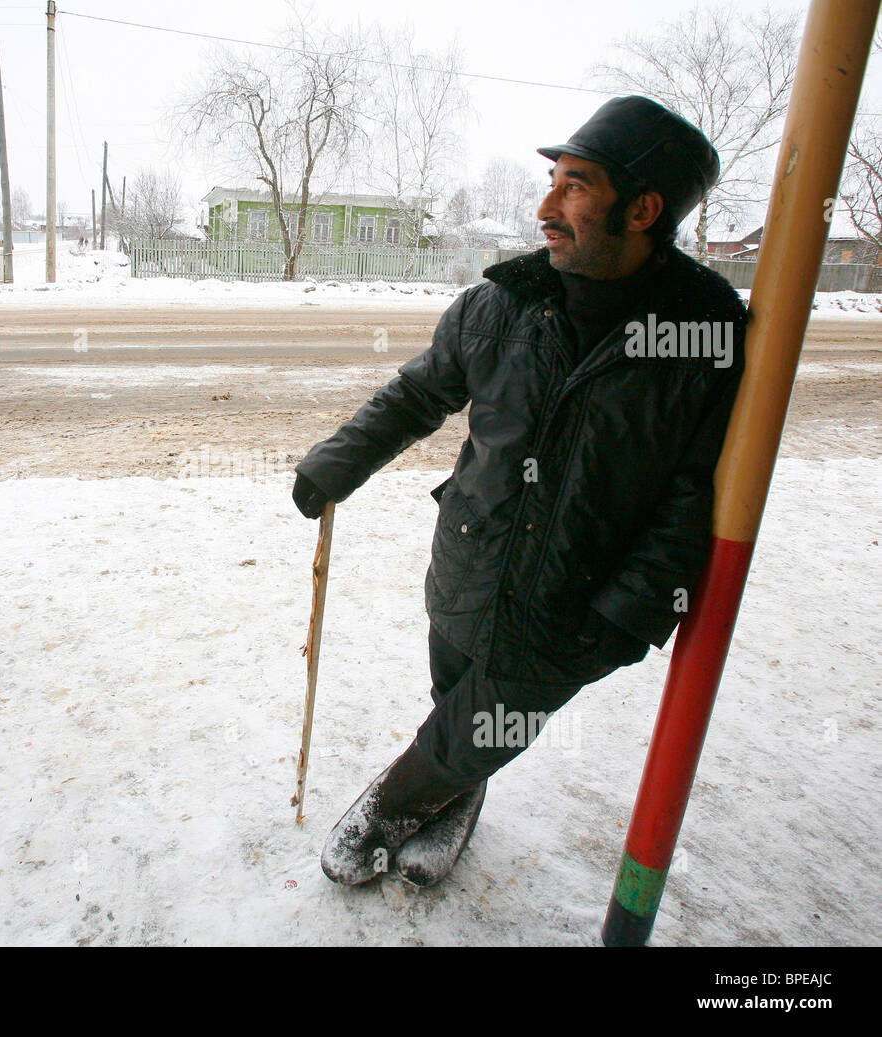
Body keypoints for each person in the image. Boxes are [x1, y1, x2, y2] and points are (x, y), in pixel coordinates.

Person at [292, 96, 747, 886]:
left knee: (480, 728)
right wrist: (341, 459)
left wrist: (622, 620)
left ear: (642, 208)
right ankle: (454, 798)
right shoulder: (502, 304)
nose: (546, 208)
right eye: (553, 182)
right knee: (457, 704)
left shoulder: (702, 340)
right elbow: (417, 395)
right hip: (469, 560)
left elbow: (691, 497)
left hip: (573, 603)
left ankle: (388, 808)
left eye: (575, 186)